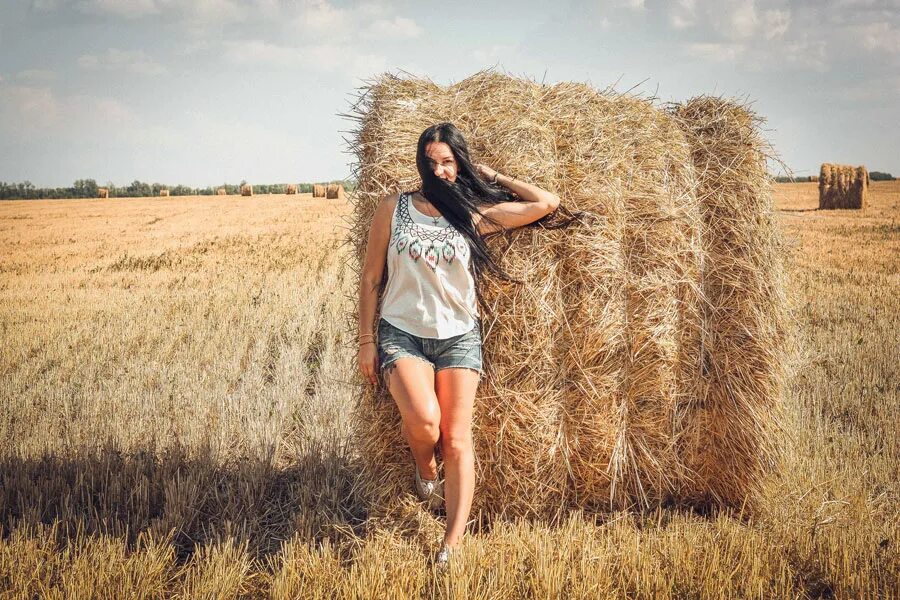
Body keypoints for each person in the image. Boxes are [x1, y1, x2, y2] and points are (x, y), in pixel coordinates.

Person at [356, 122, 561, 566]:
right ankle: (425, 470)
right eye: (431, 162)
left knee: (457, 440)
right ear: (420, 164)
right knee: (425, 423)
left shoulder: (472, 214)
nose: (439, 171)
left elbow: (546, 203)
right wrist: (366, 340)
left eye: (448, 162)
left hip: (458, 337)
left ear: (459, 163)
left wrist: (492, 176)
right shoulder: (394, 208)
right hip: (402, 331)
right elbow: (371, 277)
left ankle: (451, 543)